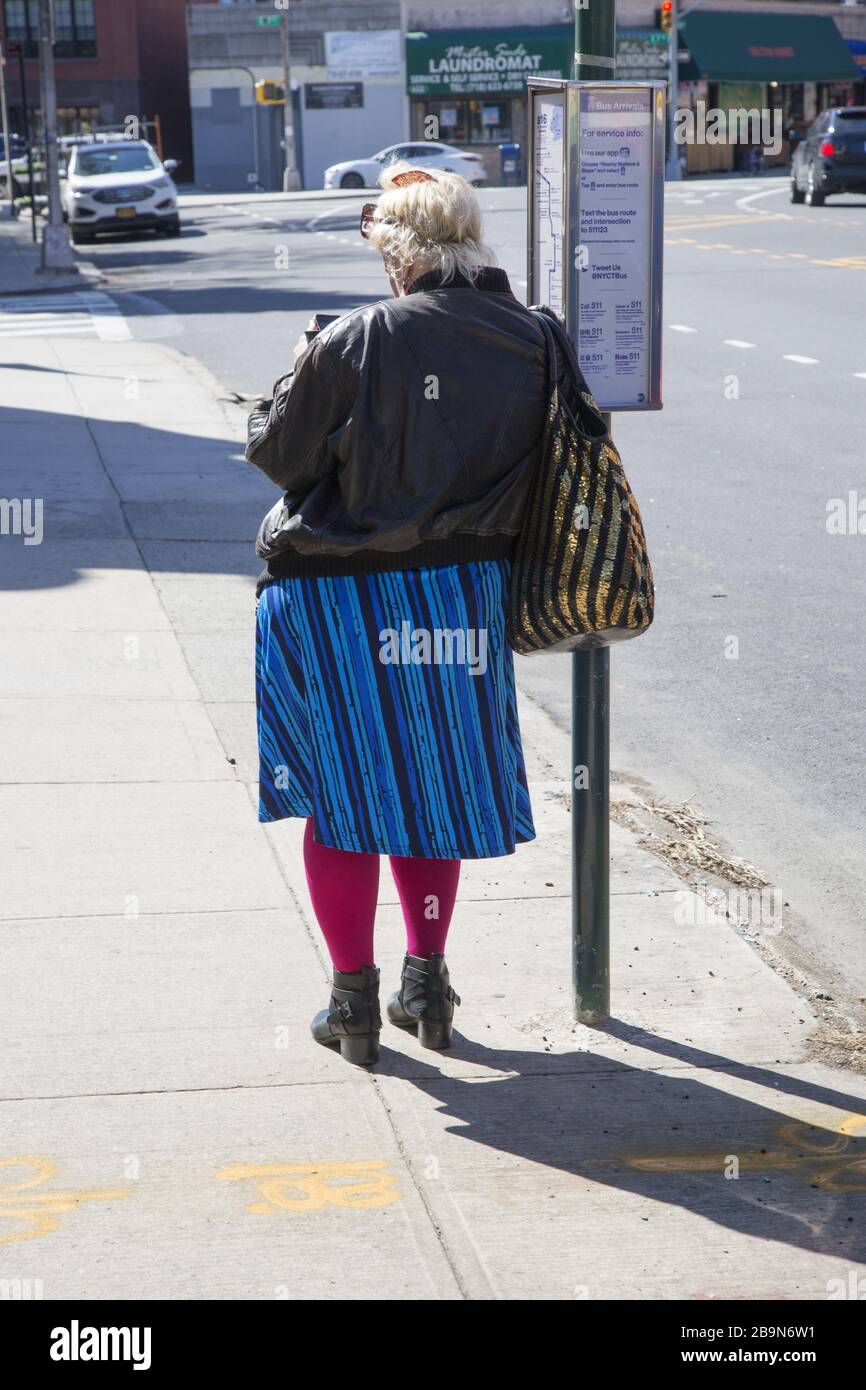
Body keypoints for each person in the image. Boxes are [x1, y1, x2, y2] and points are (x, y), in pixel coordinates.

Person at [246, 164, 578, 1066]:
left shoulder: (357, 336)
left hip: (332, 597)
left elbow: (279, 455)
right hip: (458, 596)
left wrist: (303, 365)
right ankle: (425, 979)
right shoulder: (536, 337)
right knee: (431, 789)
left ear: (396, 251)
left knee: (340, 794)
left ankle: (349, 998)